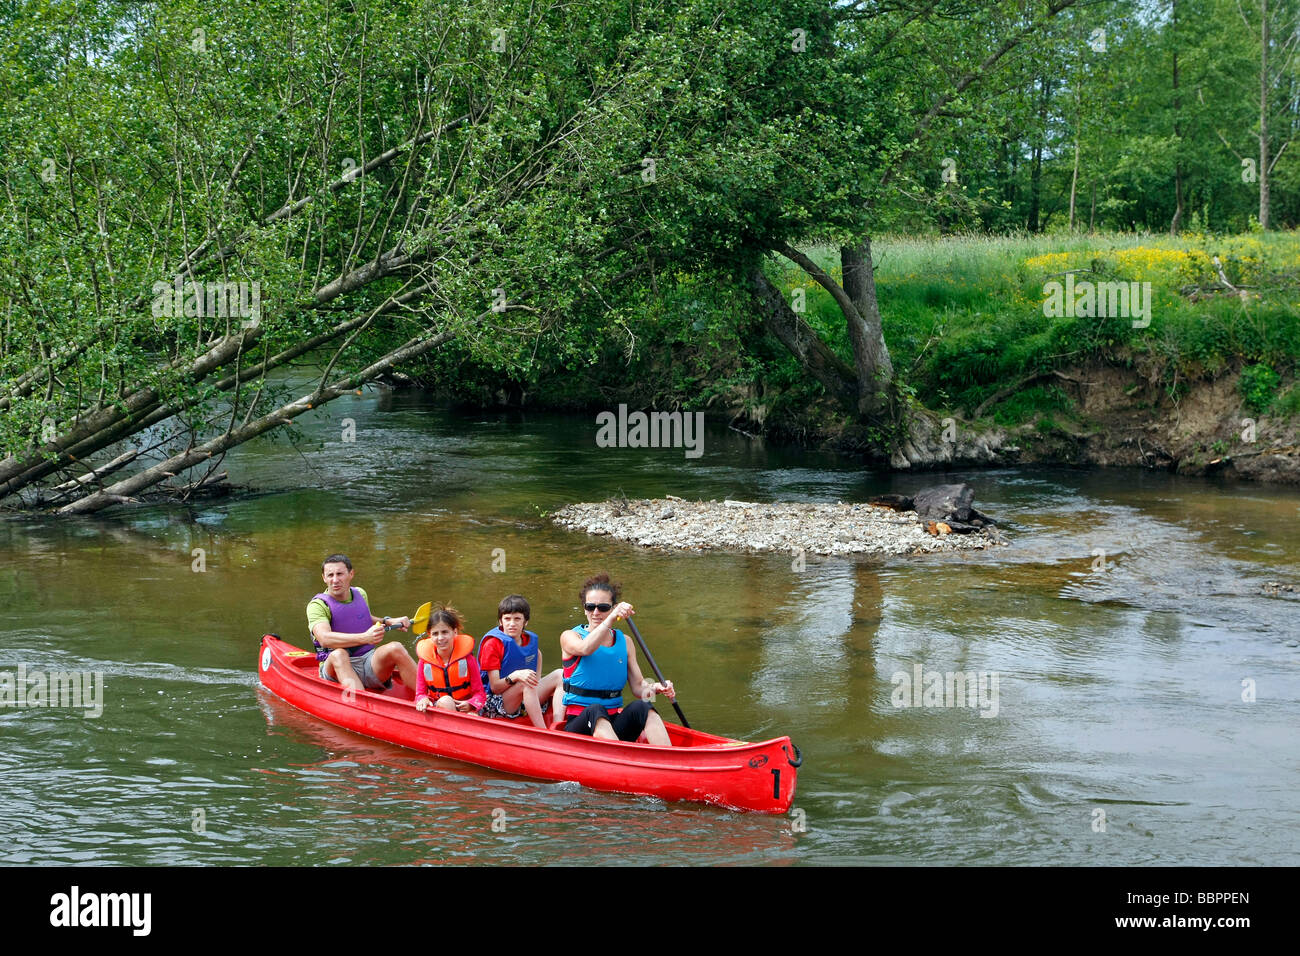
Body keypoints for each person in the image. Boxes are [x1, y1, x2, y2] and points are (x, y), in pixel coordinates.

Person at [559, 573, 675, 745]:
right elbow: (586, 649)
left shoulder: (625, 642)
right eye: (591, 607)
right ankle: (623, 762)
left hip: (613, 724)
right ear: (584, 608)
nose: (596, 612)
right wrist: (611, 619)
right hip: (580, 725)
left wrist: (657, 688)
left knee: (643, 707)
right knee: (596, 710)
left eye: (603, 607)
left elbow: (638, 688)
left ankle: (669, 759)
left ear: (612, 608)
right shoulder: (570, 636)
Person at [308, 553, 415, 693]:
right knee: (339, 654)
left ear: (351, 574)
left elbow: (362, 617)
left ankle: (430, 695)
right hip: (336, 666)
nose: (335, 580)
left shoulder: (360, 593)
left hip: (367, 659)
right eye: (330, 575)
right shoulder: (317, 605)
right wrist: (365, 637)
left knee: (396, 647)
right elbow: (324, 638)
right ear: (324, 578)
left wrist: (388, 621)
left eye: (340, 574)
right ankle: (361, 704)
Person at [477, 594, 562, 729]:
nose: (512, 623)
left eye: (517, 619)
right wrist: (515, 676)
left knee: (560, 674)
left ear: (525, 622)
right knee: (525, 683)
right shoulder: (492, 644)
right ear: (500, 621)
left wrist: (533, 688)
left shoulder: (529, 641)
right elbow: (495, 687)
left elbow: (537, 661)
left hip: (525, 695)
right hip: (496, 702)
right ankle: (544, 731)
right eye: (507, 619)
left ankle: (558, 725)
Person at [414, 604, 486, 713]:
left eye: (445, 632)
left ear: (455, 632)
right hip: (439, 705)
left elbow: (480, 693)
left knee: (473, 716)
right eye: (435, 634)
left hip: (464, 706)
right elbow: (420, 693)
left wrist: (471, 704)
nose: (440, 638)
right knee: (446, 701)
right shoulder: (424, 662)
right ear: (429, 635)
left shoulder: (468, 659)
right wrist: (422, 699)